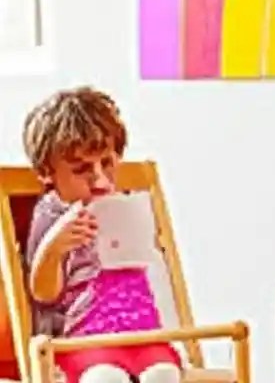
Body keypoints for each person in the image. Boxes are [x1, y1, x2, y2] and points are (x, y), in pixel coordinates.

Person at [23, 86, 183, 383]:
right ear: (47, 173)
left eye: (107, 163)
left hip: (142, 334)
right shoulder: (52, 214)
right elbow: (44, 295)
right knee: (106, 378)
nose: (99, 180)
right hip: (85, 339)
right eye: (82, 169)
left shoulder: (128, 201)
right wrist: (54, 247)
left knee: (163, 373)